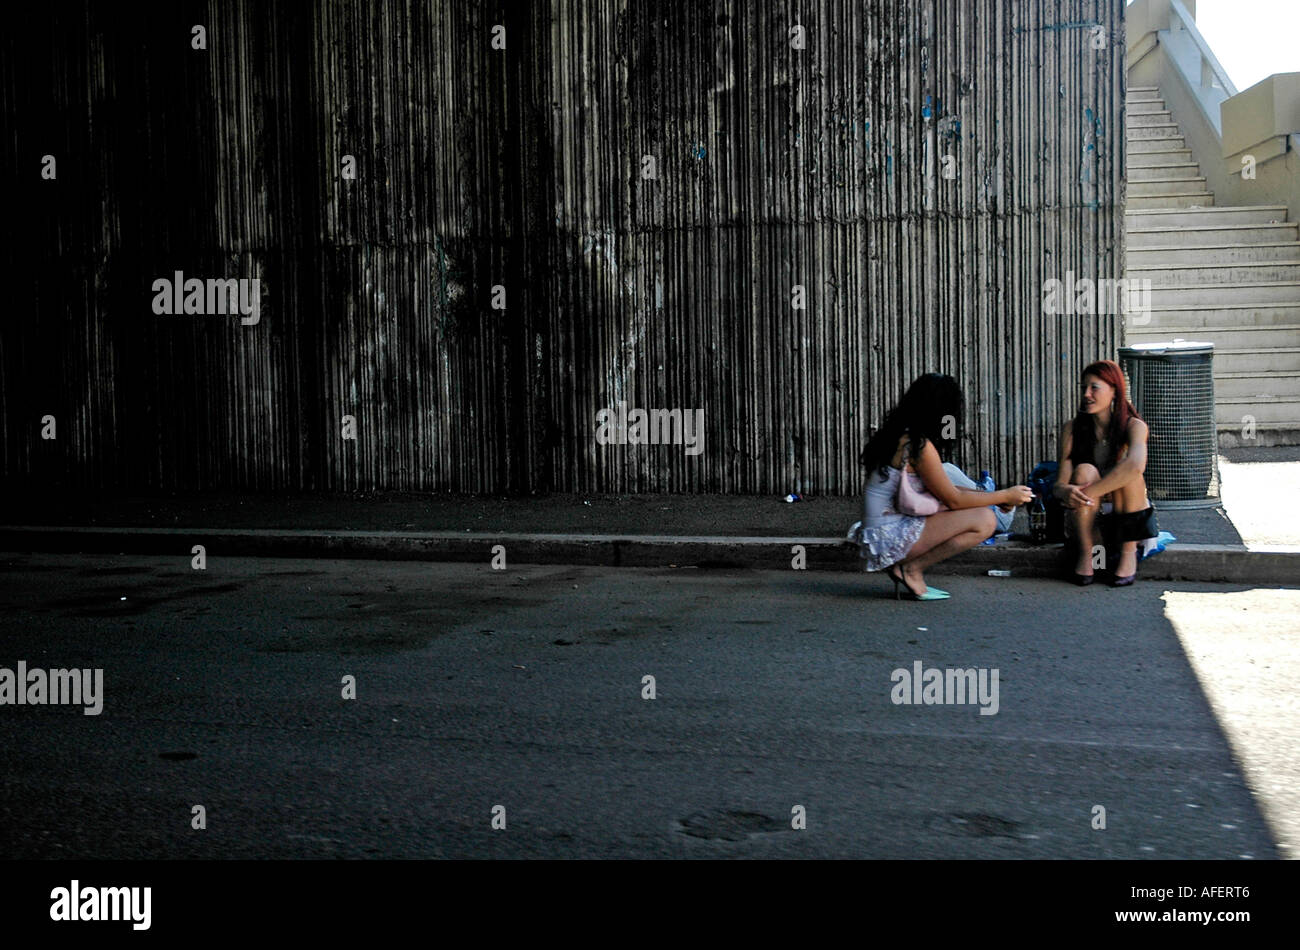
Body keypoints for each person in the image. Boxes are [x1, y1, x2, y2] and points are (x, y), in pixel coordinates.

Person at [848, 374, 1033, 600]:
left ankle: (907, 569)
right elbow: (953, 499)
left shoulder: (900, 435)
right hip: (887, 537)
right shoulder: (918, 446)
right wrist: (1004, 494)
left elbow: (946, 490)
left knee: (975, 510)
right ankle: (911, 570)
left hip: (879, 531)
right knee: (985, 520)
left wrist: (996, 497)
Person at [1053, 360, 1159, 587]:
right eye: (1083, 388)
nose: (1087, 394)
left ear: (1114, 391)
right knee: (1083, 471)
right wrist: (1067, 491)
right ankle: (1087, 553)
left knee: (1127, 471)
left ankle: (1128, 554)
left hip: (1129, 518)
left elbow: (1136, 466)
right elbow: (1059, 484)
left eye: (1094, 387)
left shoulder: (1134, 426)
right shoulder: (1072, 428)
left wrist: (1088, 493)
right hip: (1088, 519)